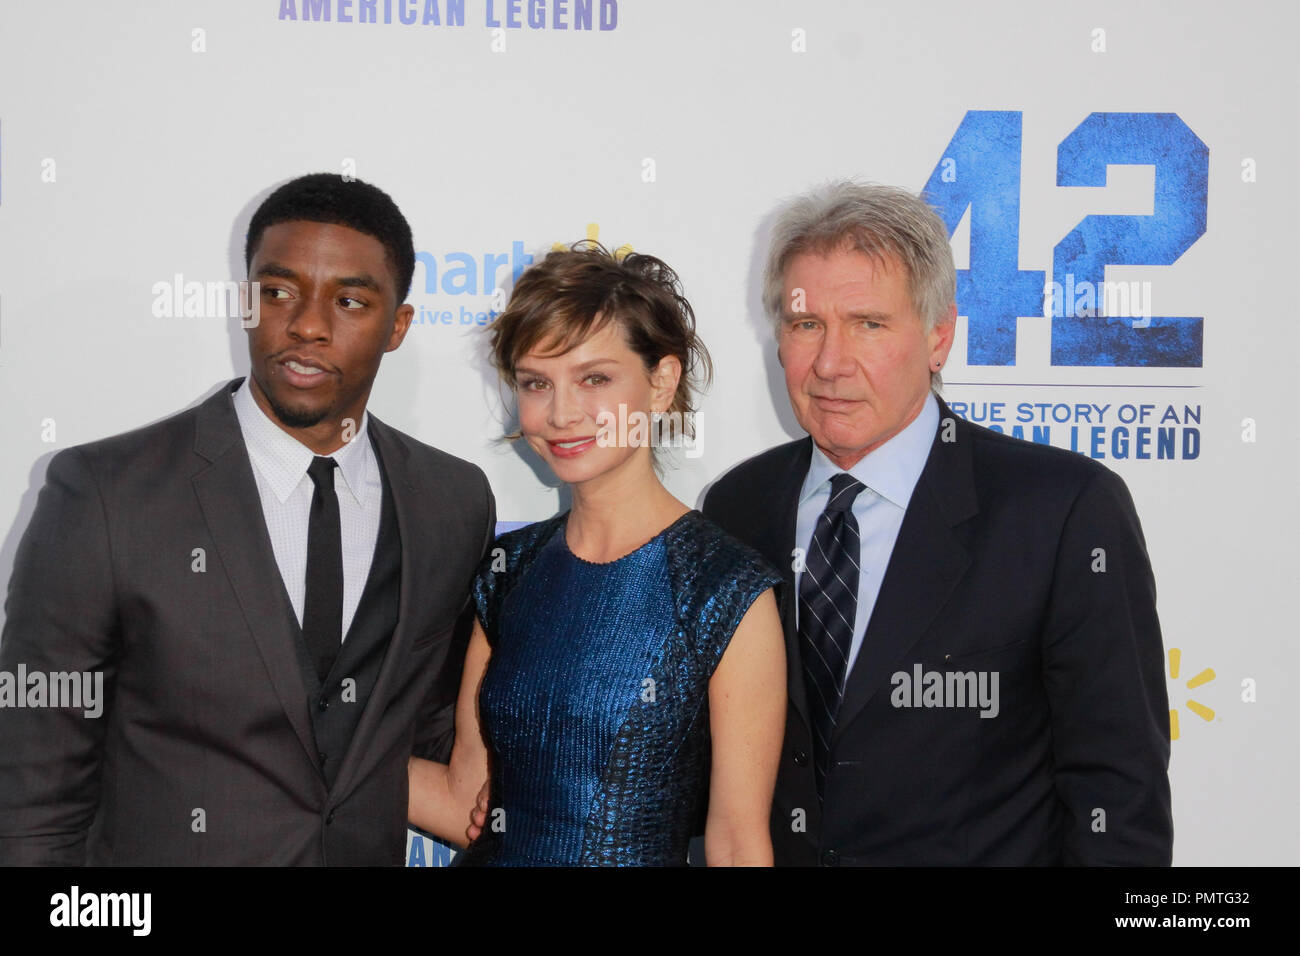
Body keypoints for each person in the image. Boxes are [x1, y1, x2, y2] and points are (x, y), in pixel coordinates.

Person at [0, 173, 495, 865]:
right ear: (246, 301)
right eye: (278, 291)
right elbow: (33, 792)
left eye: (350, 301)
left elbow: (430, 727)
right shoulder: (106, 493)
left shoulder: (452, 499)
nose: (307, 325)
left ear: (397, 327)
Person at [702, 181, 1173, 865]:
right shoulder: (738, 506)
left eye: (868, 323)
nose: (830, 364)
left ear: (938, 336)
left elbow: (1117, 794)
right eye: (808, 324)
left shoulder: (1063, 510)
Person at [407, 244, 786, 866]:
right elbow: (461, 802)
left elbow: (738, 844)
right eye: (536, 383)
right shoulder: (509, 570)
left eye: (595, 378)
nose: (560, 413)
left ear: (662, 383)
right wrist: (304, 749)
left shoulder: (724, 588)